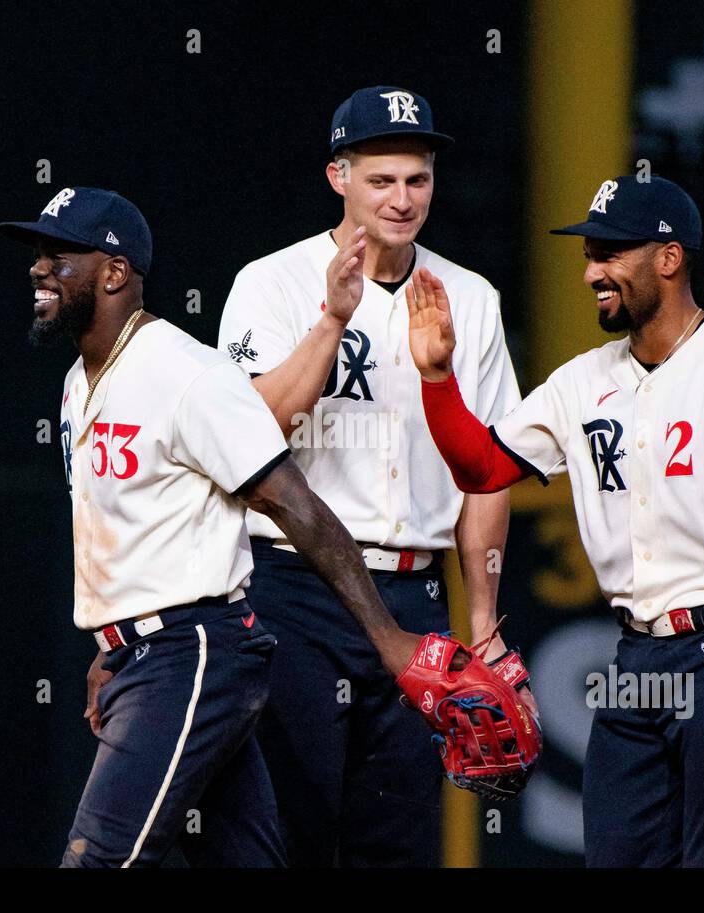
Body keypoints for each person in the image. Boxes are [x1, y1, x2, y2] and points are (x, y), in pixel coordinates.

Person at [409, 175, 704, 867]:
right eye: (590, 252)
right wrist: (436, 380)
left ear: (668, 258)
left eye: (609, 253)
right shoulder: (583, 380)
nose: (589, 272)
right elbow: (480, 467)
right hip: (635, 660)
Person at [0, 186, 430, 868]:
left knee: (96, 858)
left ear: (114, 272)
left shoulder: (185, 372)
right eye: (38, 253)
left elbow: (297, 505)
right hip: (152, 654)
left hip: (192, 655)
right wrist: (113, 640)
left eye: (60, 254)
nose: (39, 267)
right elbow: (139, 530)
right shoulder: (82, 381)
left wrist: (386, 639)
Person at [217, 86, 525, 866]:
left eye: (417, 179)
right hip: (295, 587)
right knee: (291, 831)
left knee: (398, 842)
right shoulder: (273, 282)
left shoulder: (473, 300)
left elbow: (484, 477)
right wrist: (332, 320)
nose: (402, 198)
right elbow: (250, 439)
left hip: (414, 594)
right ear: (338, 177)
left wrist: (482, 621)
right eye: (381, 179)